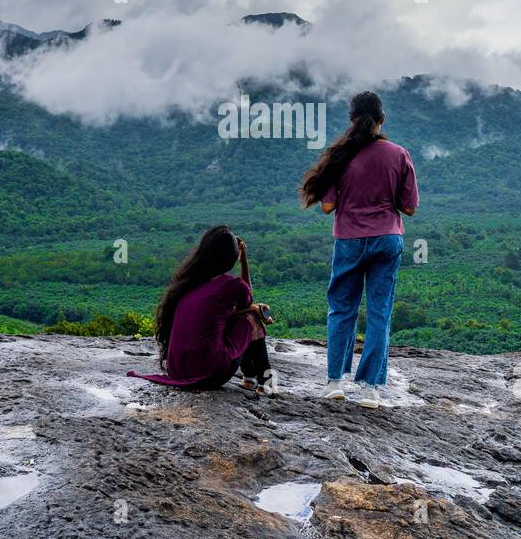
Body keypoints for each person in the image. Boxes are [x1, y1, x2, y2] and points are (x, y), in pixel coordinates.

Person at [300, 91, 418, 408]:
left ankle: (335, 381)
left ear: (352, 120)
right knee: (379, 313)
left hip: (349, 239)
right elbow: (409, 208)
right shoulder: (399, 154)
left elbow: (327, 206)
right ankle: (370, 389)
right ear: (381, 119)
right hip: (387, 238)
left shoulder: (341, 156)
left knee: (342, 309)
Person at [127, 224, 278, 394]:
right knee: (252, 319)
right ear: (232, 256)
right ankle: (265, 383)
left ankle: (249, 380)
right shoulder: (233, 285)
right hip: (210, 373)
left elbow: (223, 314)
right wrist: (244, 262)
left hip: (178, 371)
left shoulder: (190, 282)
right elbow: (247, 300)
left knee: (245, 314)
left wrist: (251, 308)